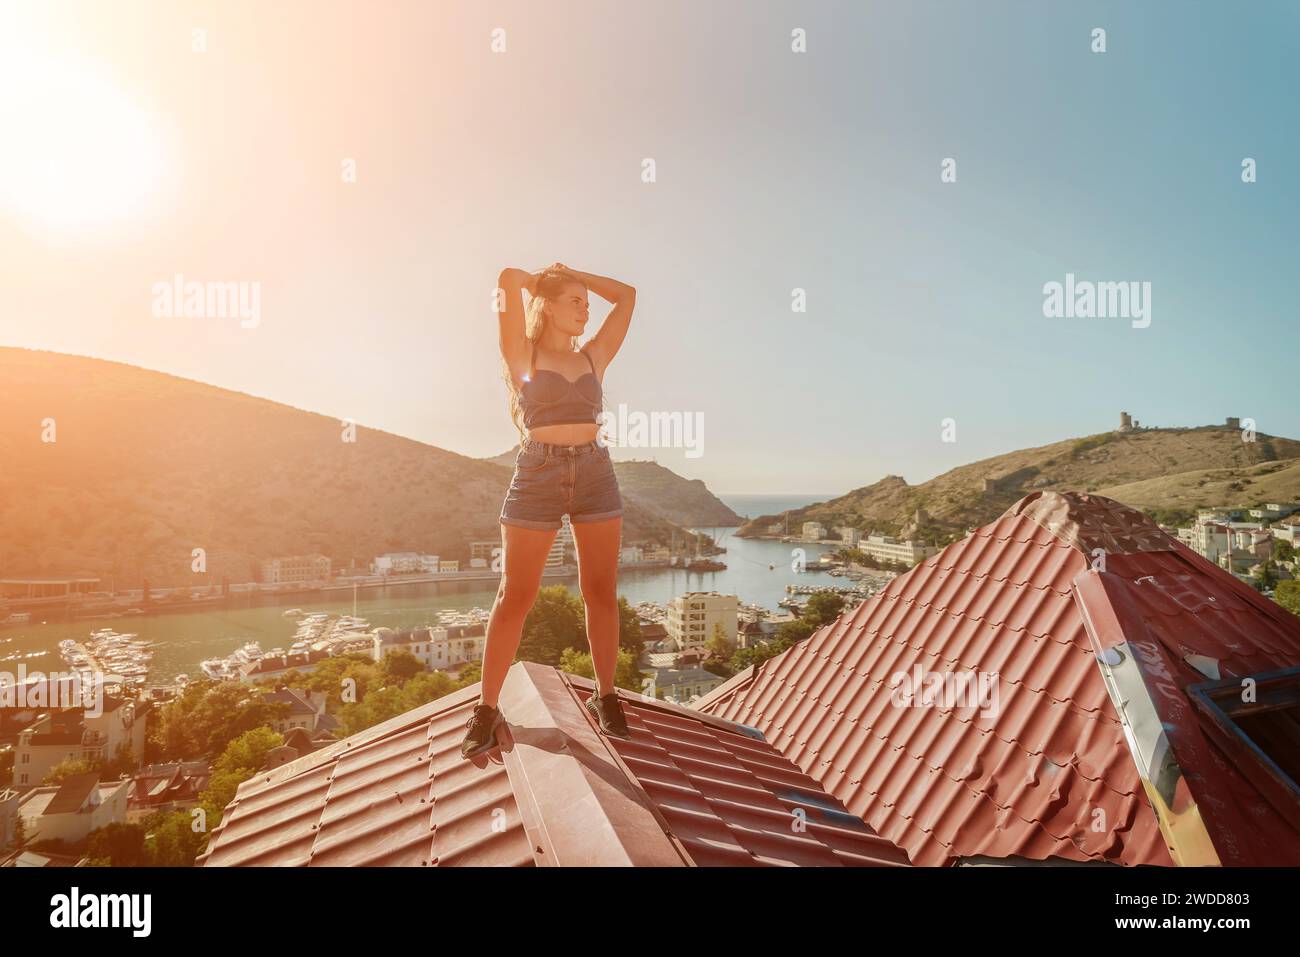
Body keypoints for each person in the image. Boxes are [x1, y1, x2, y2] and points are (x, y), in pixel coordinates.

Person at [461, 263, 637, 758]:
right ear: (550, 306)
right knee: (515, 594)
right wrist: (539, 284)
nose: (585, 308)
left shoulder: (595, 357)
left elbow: (626, 296)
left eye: (585, 302)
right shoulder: (524, 353)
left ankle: (607, 697)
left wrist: (576, 275)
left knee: (600, 591)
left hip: (595, 473)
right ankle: (486, 707)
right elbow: (506, 278)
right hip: (537, 474)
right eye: (575, 301)